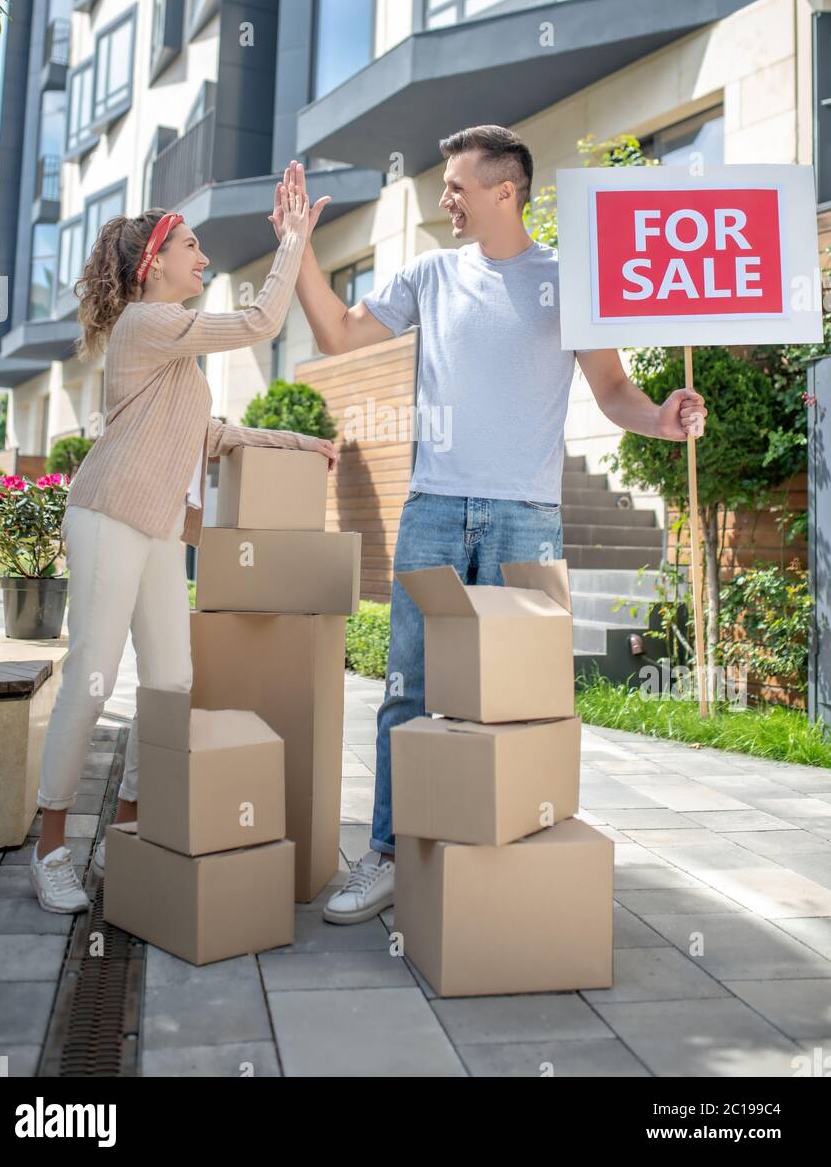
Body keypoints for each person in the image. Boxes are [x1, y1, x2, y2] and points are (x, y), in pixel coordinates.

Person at [292, 127, 708, 925]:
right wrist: (299, 247)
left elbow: (616, 392)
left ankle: (507, 859)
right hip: (435, 512)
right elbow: (337, 335)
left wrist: (663, 417)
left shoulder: (568, 278)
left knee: (520, 701)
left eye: (455, 186)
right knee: (407, 693)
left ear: (504, 191)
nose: (443, 199)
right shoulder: (430, 274)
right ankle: (386, 852)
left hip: (526, 520)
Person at [31, 167, 338, 914]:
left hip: (162, 526)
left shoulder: (175, 350)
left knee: (171, 682)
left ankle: (129, 828)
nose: (203, 259)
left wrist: (297, 441)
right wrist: (293, 240)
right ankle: (51, 848)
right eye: (193, 247)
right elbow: (262, 322)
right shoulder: (145, 324)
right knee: (94, 678)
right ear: (154, 264)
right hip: (109, 515)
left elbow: (208, 434)